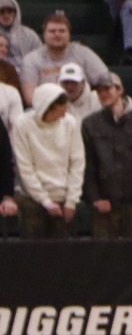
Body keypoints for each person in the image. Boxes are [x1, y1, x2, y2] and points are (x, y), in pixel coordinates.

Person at [80, 77, 132, 240]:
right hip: (105, 204)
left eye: (107, 89)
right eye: (99, 91)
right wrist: (94, 198)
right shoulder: (90, 123)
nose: (102, 94)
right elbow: (87, 166)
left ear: (120, 90)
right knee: (102, 258)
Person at [11, 83, 84, 239]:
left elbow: (77, 163)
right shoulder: (22, 124)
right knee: (32, 255)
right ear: (47, 108)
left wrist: (71, 200)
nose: (64, 115)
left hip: (64, 199)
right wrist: (45, 200)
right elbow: (25, 167)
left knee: (65, 255)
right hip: (32, 199)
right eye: (60, 111)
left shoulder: (70, 123)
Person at [20, 11, 109, 93]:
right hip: (47, 107)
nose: (57, 34)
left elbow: (106, 79)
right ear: (44, 35)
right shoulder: (31, 59)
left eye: (62, 31)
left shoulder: (84, 53)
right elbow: (30, 97)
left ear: (69, 34)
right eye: (52, 31)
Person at [0, 0, 39, 71]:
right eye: (2, 12)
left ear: (16, 13)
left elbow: (40, 58)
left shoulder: (30, 35)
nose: (6, 15)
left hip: (27, 76)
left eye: (10, 11)